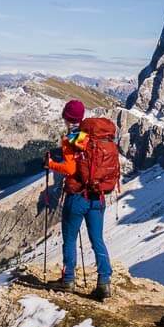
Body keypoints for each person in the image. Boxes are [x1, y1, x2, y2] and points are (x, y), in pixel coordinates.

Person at [44, 99, 119, 300]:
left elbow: (69, 169)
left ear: (66, 117)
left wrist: (51, 164)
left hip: (77, 197)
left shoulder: (71, 138)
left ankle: (68, 279)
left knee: (69, 239)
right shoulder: (95, 138)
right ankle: (104, 283)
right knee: (97, 240)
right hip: (98, 197)